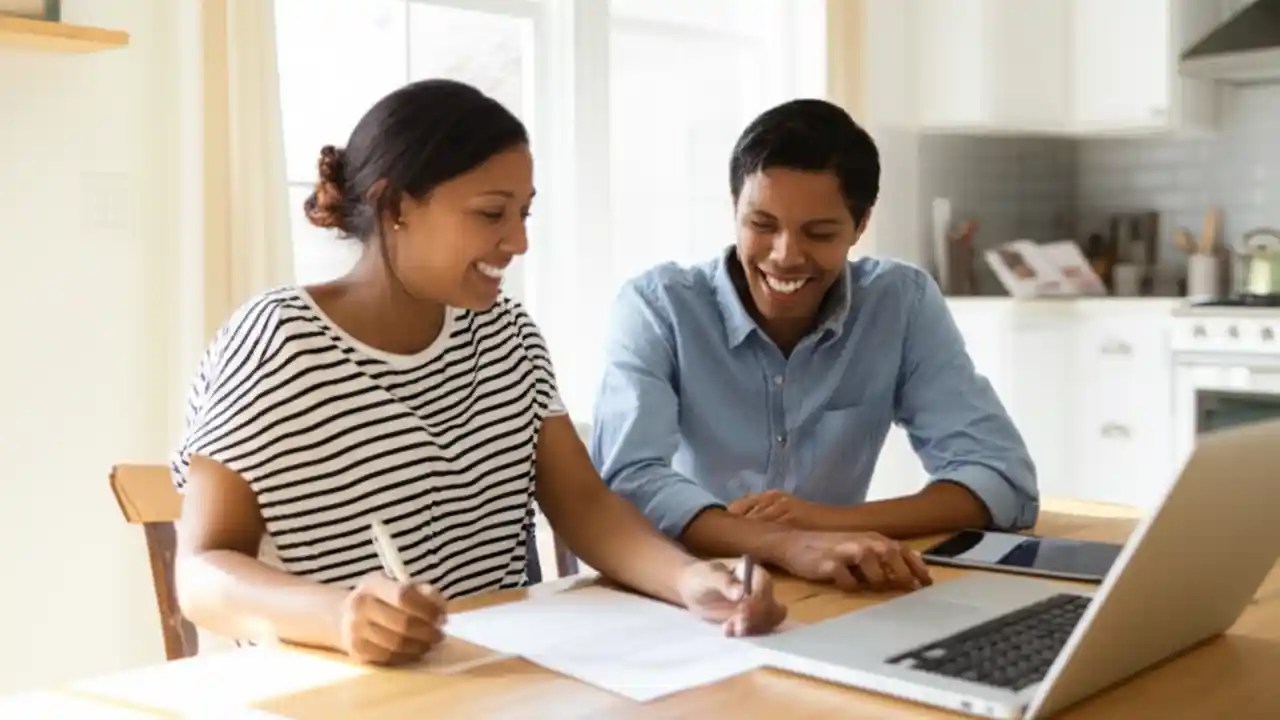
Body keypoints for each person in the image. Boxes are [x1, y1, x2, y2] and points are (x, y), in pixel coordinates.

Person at [169, 79, 789, 667]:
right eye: (492, 214)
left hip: (489, 675)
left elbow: (583, 505)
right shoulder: (278, 339)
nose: (517, 242)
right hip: (332, 686)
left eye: (524, 213)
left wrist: (688, 578)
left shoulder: (508, 336)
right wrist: (340, 617)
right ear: (396, 207)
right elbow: (200, 573)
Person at [589, 98, 1036, 591]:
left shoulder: (900, 303)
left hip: (830, 588)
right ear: (733, 207)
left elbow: (1002, 479)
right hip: (679, 592)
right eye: (761, 225)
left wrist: (822, 523)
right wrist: (782, 543)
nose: (784, 256)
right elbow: (626, 487)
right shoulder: (657, 308)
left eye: (819, 233)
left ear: (860, 225)